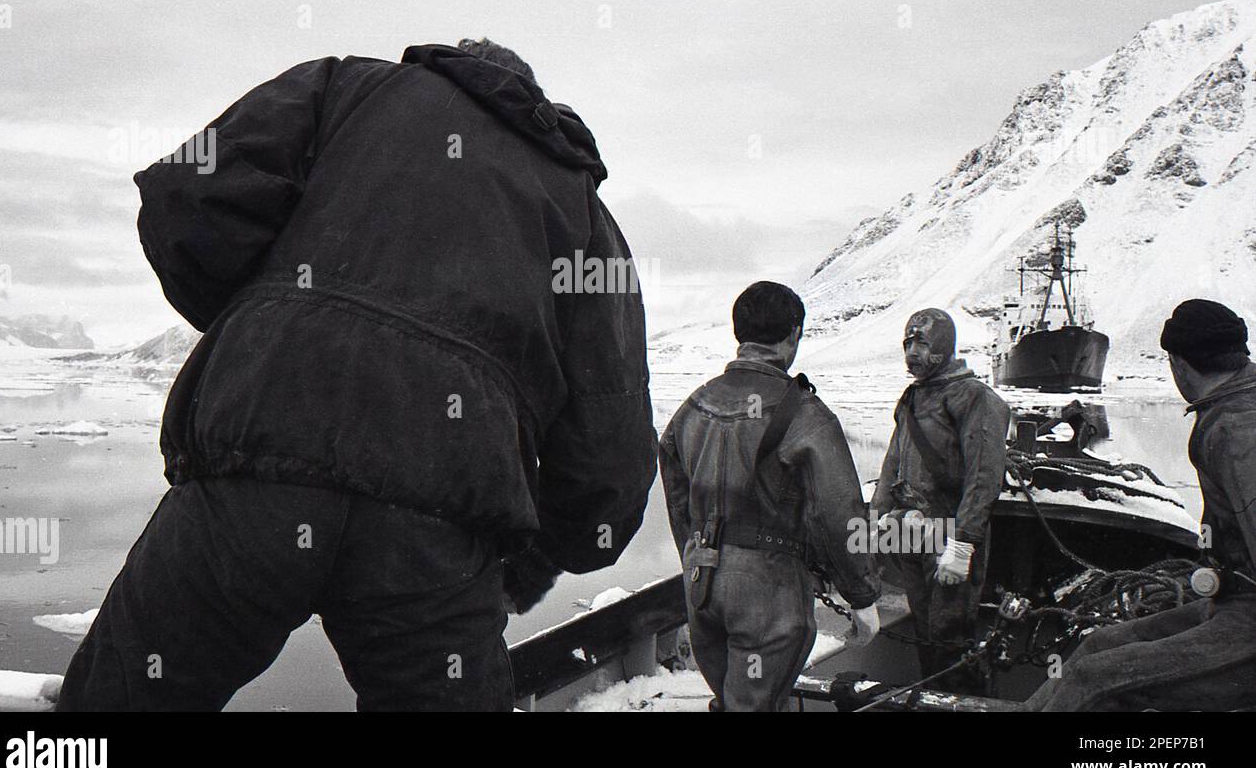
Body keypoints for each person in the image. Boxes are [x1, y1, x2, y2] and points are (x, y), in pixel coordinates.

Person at [58, 38, 657, 711]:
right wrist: (532, 564)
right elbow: (612, 455)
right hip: (437, 530)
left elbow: (184, 194)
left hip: (253, 473)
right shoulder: (581, 211)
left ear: (448, 65)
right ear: (535, 101)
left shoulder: (340, 89)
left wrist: (261, 335)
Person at [659, 281, 881, 712]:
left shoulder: (694, 405)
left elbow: (675, 491)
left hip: (702, 581)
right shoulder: (804, 413)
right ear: (794, 333)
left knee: (730, 700)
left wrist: (695, 552)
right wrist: (862, 594)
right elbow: (840, 514)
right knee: (755, 704)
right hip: (767, 588)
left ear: (739, 332)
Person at [1026, 299, 1256, 711]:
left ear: (1178, 364)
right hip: (1232, 602)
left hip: (1249, 620)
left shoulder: (1237, 432)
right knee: (1101, 642)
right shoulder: (1237, 407)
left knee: (1094, 677)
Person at [870, 308, 1010, 694]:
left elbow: (984, 477)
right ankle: (930, 699)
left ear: (944, 347)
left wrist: (963, 545)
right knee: (924, 628)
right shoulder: (914, 397)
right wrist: (875, 521)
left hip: (949, 534)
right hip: (911, 533)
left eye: (922, 343)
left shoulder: (975, 398)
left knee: (951, 637)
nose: (912, 351)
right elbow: (893, 462)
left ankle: (961, 702)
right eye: (907, 343)